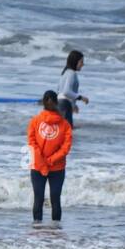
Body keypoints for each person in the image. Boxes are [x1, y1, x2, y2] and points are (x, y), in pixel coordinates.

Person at [27, 91, 73, 225]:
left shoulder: (35, 121)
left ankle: (37, 230)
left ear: (43, 103)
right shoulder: (65, 124)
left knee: (39, 199)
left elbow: (31, 143)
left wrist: (43, 161)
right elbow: (65, 148)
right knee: (55, 199)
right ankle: (56, 232)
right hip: (56, 167)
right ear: (56, 103)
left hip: (38, 166)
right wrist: (49, 161)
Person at [58, 50, 88, 126]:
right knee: (68, 132)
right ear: (75, 61)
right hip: (64, 105)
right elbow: (66, 92)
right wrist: (81, 98)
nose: (83, 64)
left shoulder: (65, 72)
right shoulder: (72, 74)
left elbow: (60, 92)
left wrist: (73, 105)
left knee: (61, 131)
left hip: (59, 104)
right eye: (81, 62)